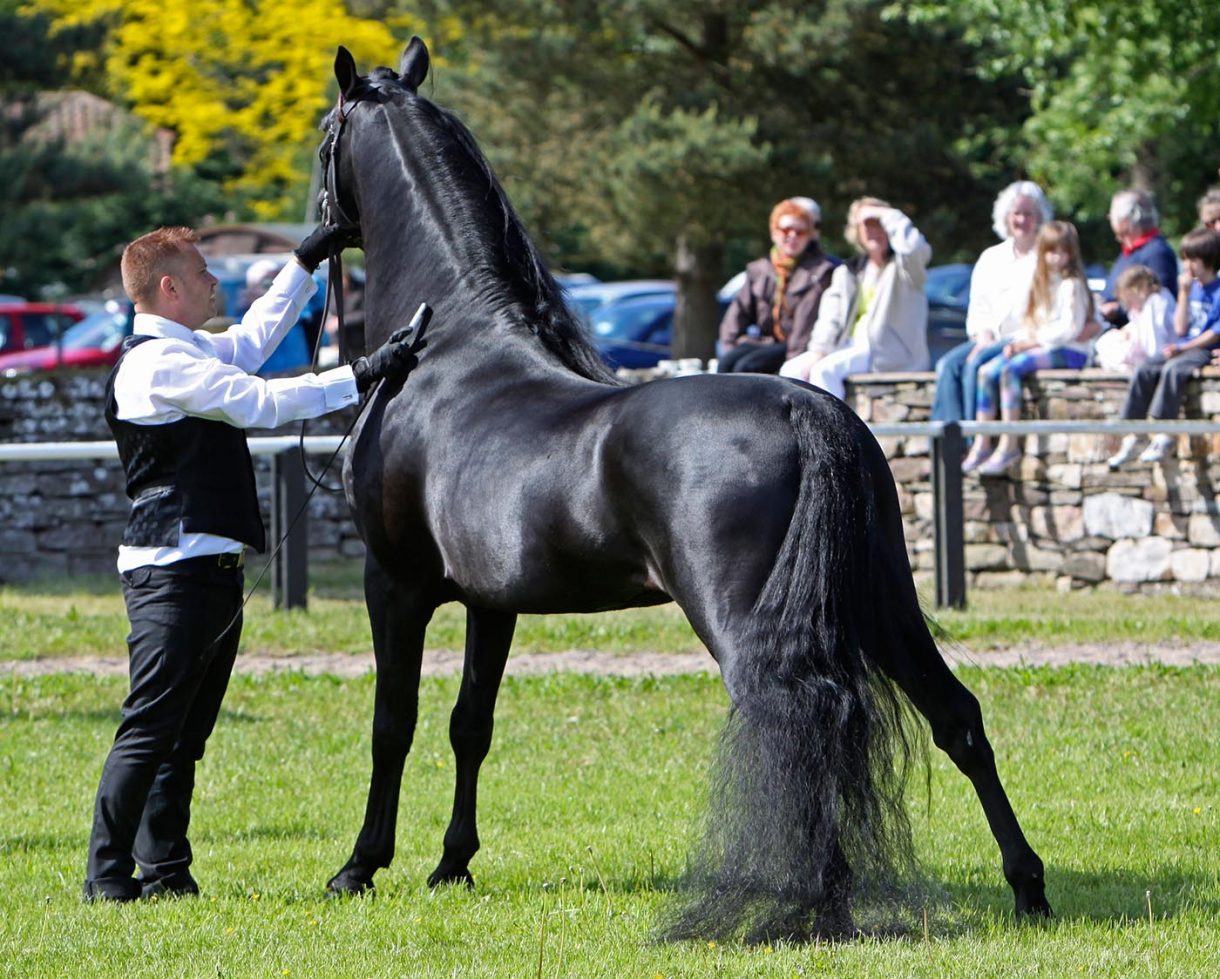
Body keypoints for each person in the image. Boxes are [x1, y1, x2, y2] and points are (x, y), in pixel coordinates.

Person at [83, 223, 420, 903]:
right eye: (204, 273)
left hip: (205, 570)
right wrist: (363, 373)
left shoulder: (189, 351)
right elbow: (261, 401)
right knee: (151, 729)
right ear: (169, 287)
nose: (217, 282)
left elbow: (251, 344)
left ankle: (166, 871)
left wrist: (302, 265)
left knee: (184, 736)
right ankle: (106, 877)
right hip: (171, 573)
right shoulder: (159, 365)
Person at [962, 221, 1093, 475]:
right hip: (1040, 344)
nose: (1057, 258)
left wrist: (1028, 344)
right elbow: (1033, 323)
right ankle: (983, 440)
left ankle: (1010, 443)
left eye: (1063, 252)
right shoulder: (1041, 284)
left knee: (1011, 370)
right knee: (987, 372)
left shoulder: (1072, 285)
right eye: (1051, 251)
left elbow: (1068, 329)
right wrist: (1017, 343)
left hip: (1070, 350)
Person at [780, 197, 930, 399]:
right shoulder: (848, 271)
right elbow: (830, 318)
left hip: (890, 352)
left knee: (825, 371)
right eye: (866, 225)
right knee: (791, 371)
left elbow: (913, 248)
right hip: (850, 347)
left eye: (879, 223)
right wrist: (819, 350)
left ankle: (834, 431)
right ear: (856, 231)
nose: (873, 230)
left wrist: (887, 215)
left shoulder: (906, 269)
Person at [931, 180, 1052, 424]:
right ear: (1006, 217)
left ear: (1039, 217)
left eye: (1028, 214)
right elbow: (979, 306)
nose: (1022, 220)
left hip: (1022, 338)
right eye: (1017, 213)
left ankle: (971, 438)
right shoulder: (991, 257)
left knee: (975, 365)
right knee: (947, 365)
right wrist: (982, 334)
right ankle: (947, 439)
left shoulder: (1046, 257)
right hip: (989, 337)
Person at [1108, 227, 1220, 468]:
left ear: (1208, 260)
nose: (1187, 265)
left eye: (1192, 259)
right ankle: (1134, 430)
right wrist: (1184, 292)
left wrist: (1185, 348)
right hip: (1184, 344)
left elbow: (1214, 333)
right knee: (1146, 368)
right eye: (1185, 259)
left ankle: (1164, 431)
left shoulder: (1218, 290)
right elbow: (1180, 328)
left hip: (1202, 349)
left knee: (1174, 370)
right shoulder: (1192, 290)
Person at [717, 198, 836, 374]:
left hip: (797, 348)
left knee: (748, 368)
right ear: (774, 233)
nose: (792, 236)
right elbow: (734, 322)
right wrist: (733, 348)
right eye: (786, 229)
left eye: (800, 231)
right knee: (727, 364)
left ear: (810, 235)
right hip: (765, 343)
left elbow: (803, 330)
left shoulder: (821, 271)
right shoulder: (760, 270)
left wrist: (791, 371)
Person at [1097, 189, 1178, 328]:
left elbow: (1160, 300)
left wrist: (1118, 309)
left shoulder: (1156, 252)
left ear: (1128, 219)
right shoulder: (1130, 251)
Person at [1092, 264, 1176, 372]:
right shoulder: (1144, 307)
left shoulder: (1155, 303)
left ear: (1141, 289)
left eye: (1129, 301)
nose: (1128, 306)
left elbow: (1154, 347)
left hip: (1155, 360)